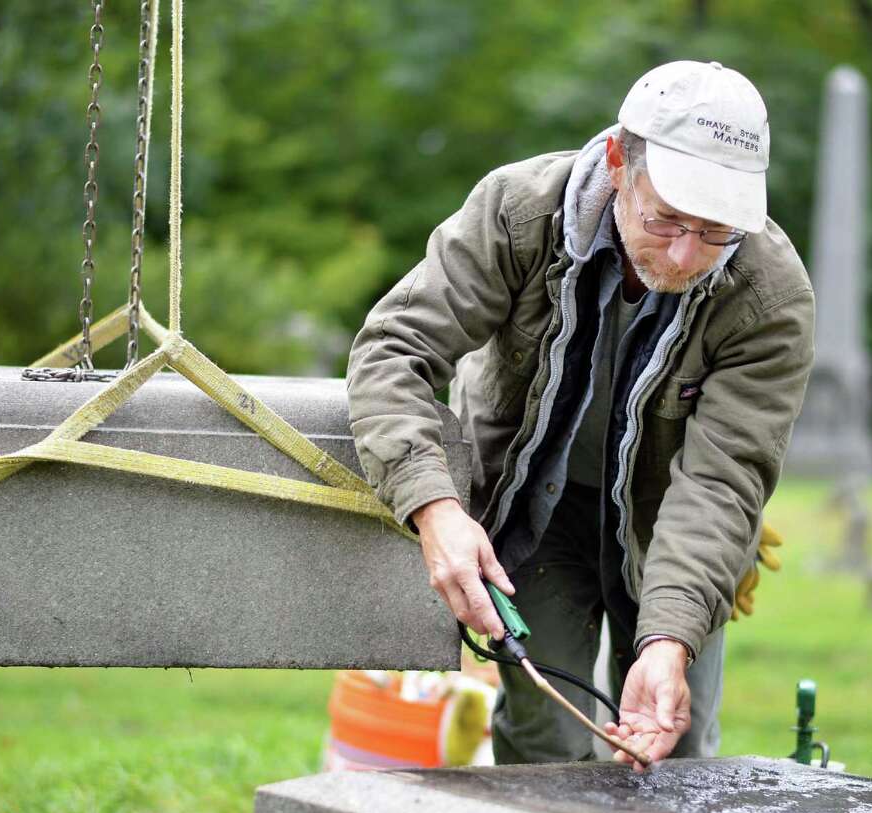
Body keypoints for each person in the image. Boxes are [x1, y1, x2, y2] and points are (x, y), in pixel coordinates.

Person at [347, 60, 814, 769]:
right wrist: (436, 507)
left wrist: (672, 637)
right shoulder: (515, 213)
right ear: (622, 161)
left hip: (670, 522)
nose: (686, 254)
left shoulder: (770, 297)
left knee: (674, 750)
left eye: (715, 230)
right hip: (535, 504)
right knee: (548, 746)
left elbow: (722, 481)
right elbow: (394, 349)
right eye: (667, 219)